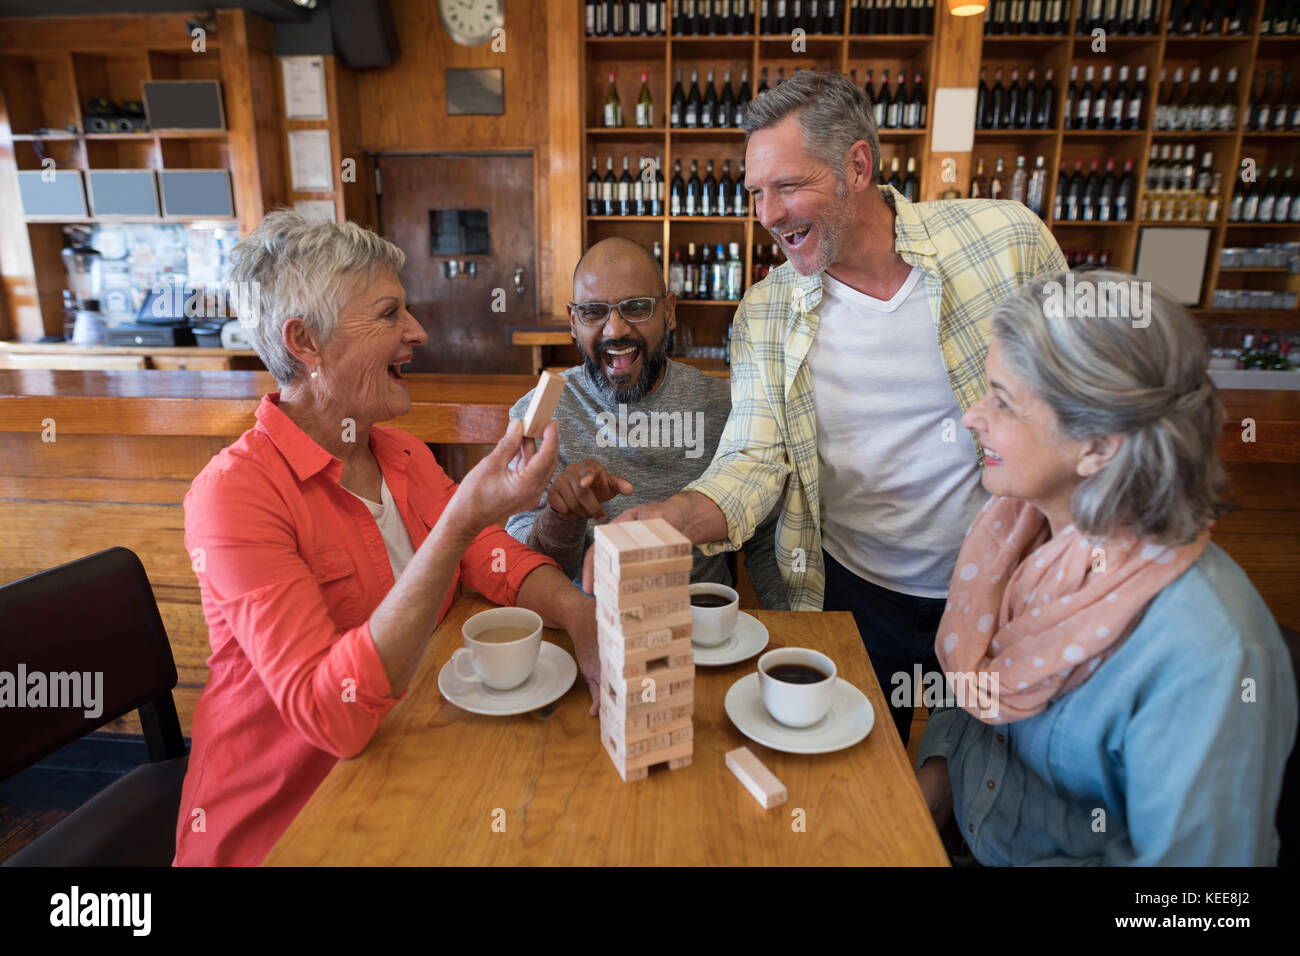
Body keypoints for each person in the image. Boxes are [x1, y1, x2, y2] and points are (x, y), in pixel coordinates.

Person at [589, 69, 1067, 745]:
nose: (768, 215)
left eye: (788, 186)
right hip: (854, 594)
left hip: (1012, 580)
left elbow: (1086, 398)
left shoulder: (1006, 241)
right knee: (866, 770)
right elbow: (753, 464)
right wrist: (672, 519)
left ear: (858, 166)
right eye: (757, 193)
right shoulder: (766, 311)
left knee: (997, 773)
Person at [173, 211, 601, 867]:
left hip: (409, 766)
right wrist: (459, 524)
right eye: (388, 314)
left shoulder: (397, 452)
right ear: (305, 342)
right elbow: (332, 715)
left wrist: (580, 614)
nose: (417, 332)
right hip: (287, 826)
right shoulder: (234, 496)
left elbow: (490, 557)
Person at [913, 270, 1297, 865]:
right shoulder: (1010, 532)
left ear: (1099, 446)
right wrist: (927, 800)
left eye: (1003, 401)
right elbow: (973, 677)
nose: (971, 416)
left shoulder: (1207, 653)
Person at [506, 237, 786, 608]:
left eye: (636, 308)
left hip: (700, 625)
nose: (615, 330)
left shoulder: (723, 407)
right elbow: (524, 566)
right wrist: (562, 515)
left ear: (669, 311)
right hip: (582, 622)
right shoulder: (540, 414)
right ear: (573, 321)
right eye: (593, 312)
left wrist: (794, 629)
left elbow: (766, 536)